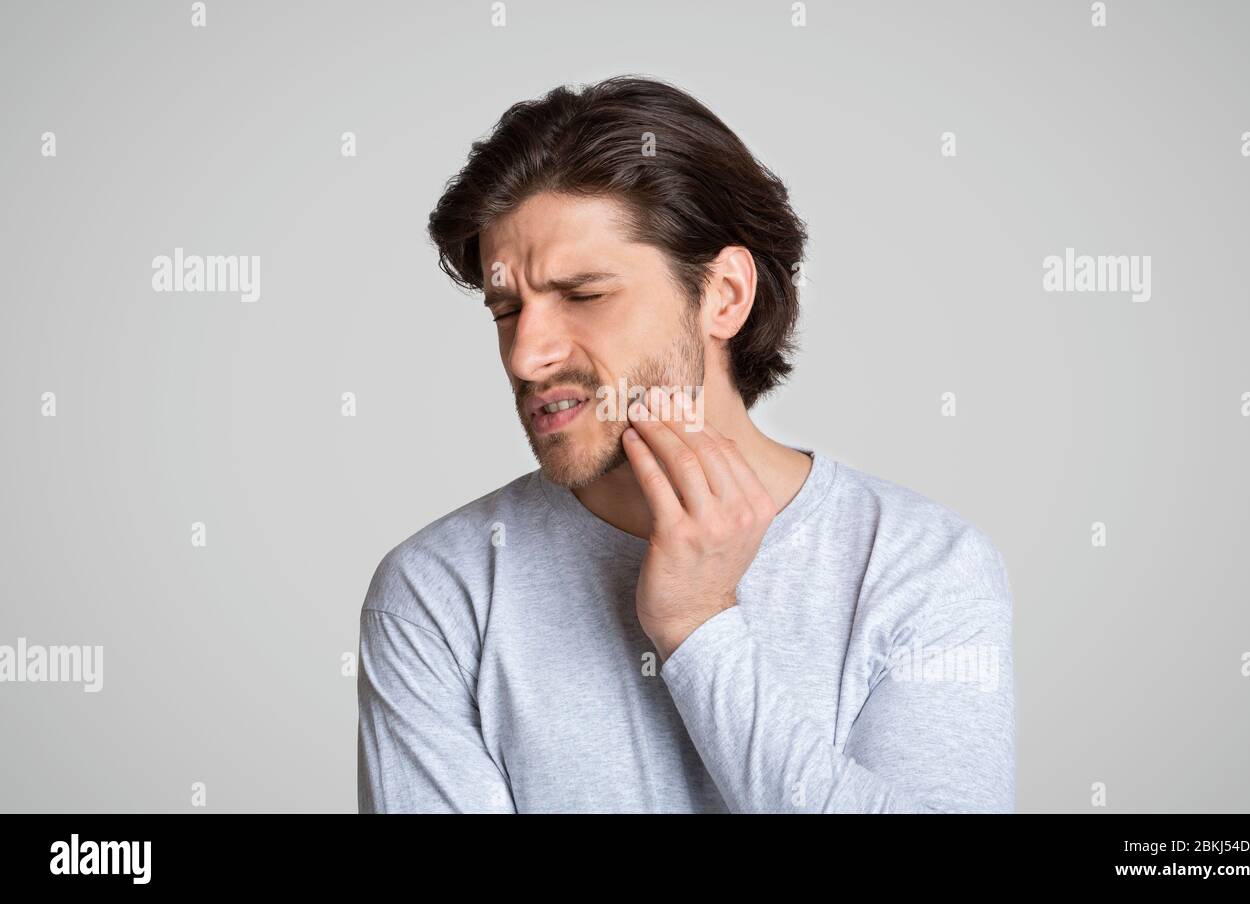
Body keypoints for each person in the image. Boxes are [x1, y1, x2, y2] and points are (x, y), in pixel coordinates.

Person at [357, 75, 1015, 813]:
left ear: (724, 295)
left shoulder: (920, 567)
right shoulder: (439, 592)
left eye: (582, 295)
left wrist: (699, 627)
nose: (526, 355)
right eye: (507, 309)